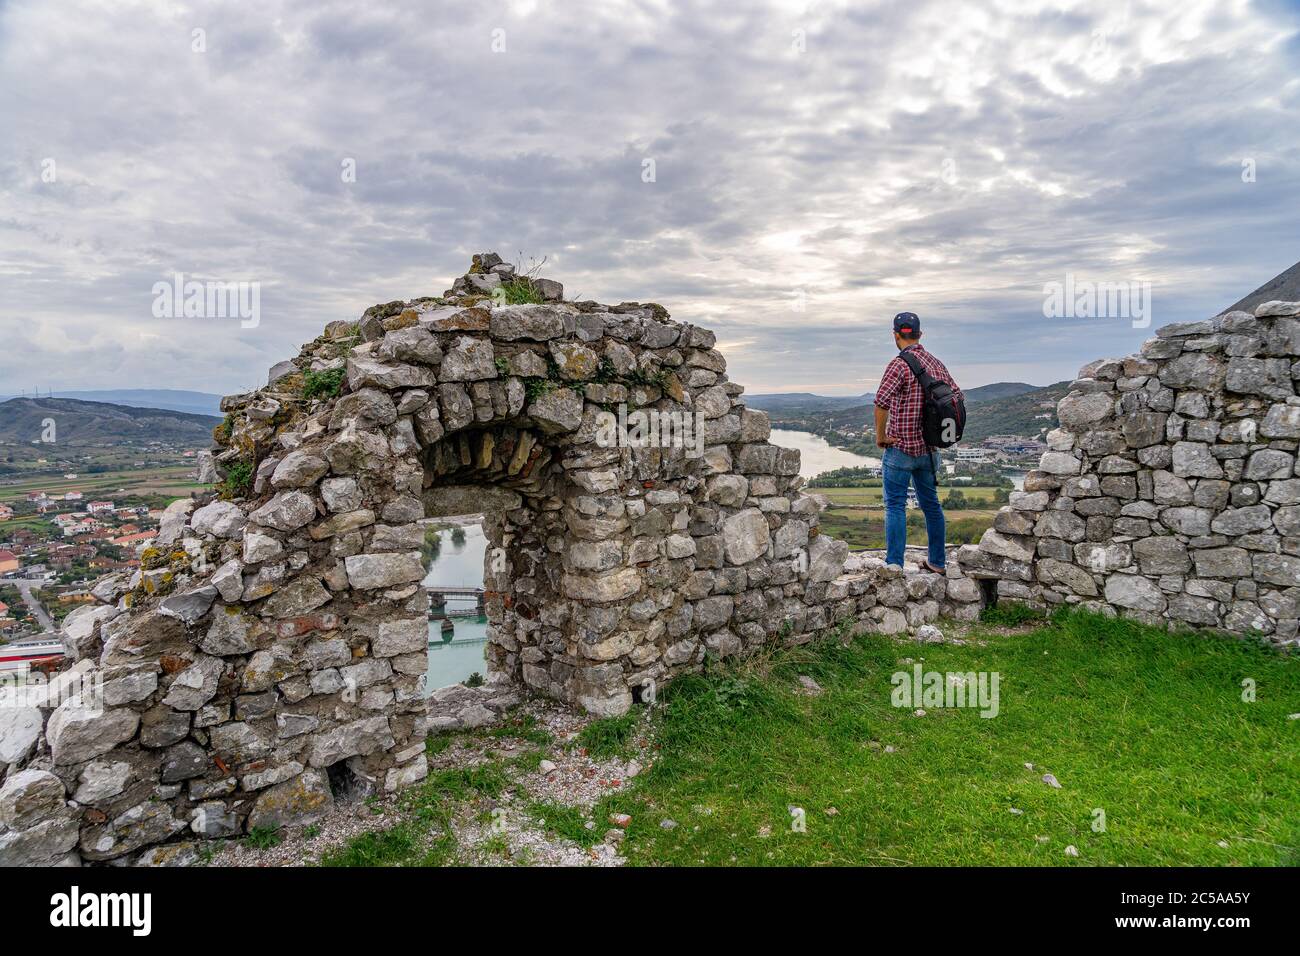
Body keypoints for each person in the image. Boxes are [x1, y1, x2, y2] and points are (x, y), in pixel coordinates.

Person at [871, 311, 963, 573]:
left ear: (895, 334)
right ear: (920, 334)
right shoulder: (936, 364)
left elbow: (880, 403)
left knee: (896, 506)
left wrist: (880, 436)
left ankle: (894, 566)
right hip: (931, 449)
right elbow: (956, 397)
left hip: (901, 448)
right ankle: (937, 562)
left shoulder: (899, 364)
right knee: (931, 505)